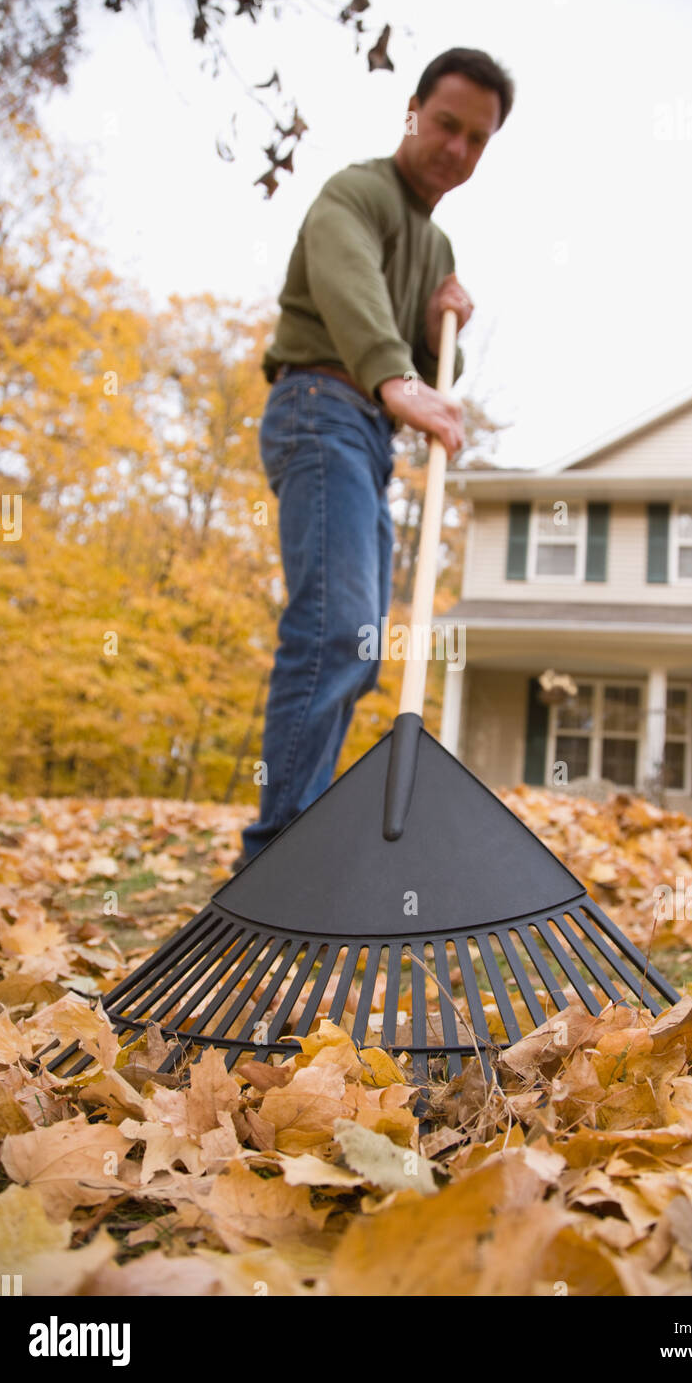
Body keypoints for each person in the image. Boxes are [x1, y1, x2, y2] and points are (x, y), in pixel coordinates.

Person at [235, 47, 514, 869]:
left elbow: (435, 376)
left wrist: (439, 334)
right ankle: (275, 856)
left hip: (365, 434)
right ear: (413, 112)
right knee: (338, 632)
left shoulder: (437, 246)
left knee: (358, 649)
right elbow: (348, 278)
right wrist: (396, 375)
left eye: (477, 139)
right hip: (318, 408)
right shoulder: (354, 195)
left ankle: (295, 836)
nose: (457, 149)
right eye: (446, 125)